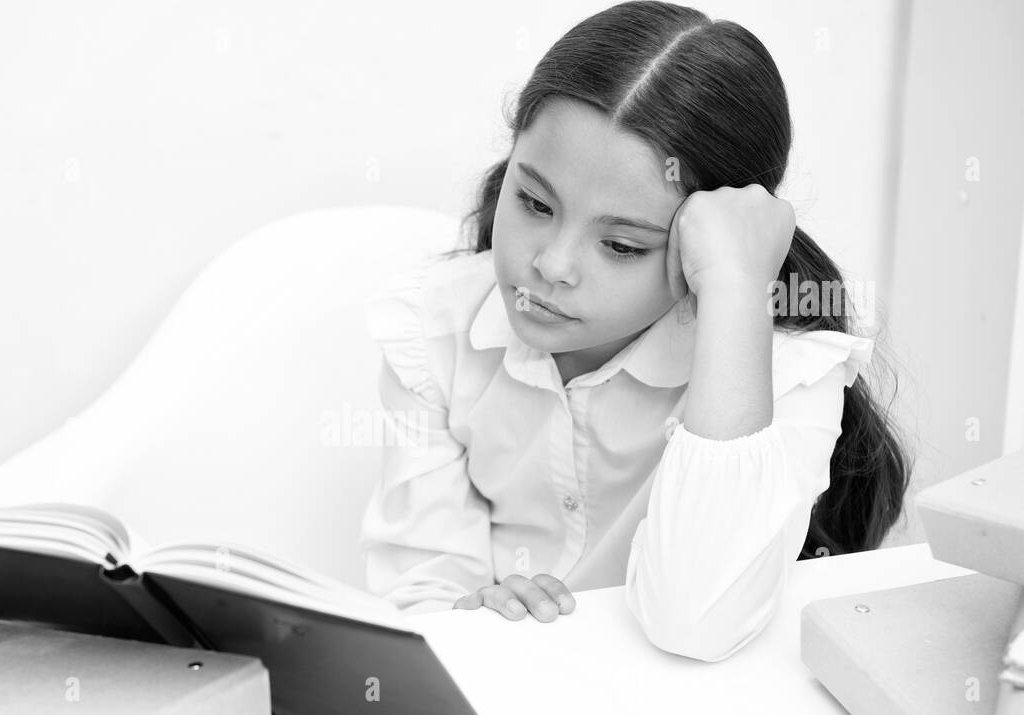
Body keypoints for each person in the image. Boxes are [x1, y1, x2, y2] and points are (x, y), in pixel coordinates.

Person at [357, 1, 910, 662]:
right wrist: (470, 613)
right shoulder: (434, 329)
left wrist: (736, 290)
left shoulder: (789, 362)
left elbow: (696, 623)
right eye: (534, 202)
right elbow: (423, 597)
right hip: (512, 706)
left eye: (620, 245)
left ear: (707, 240)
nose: (552, 266)